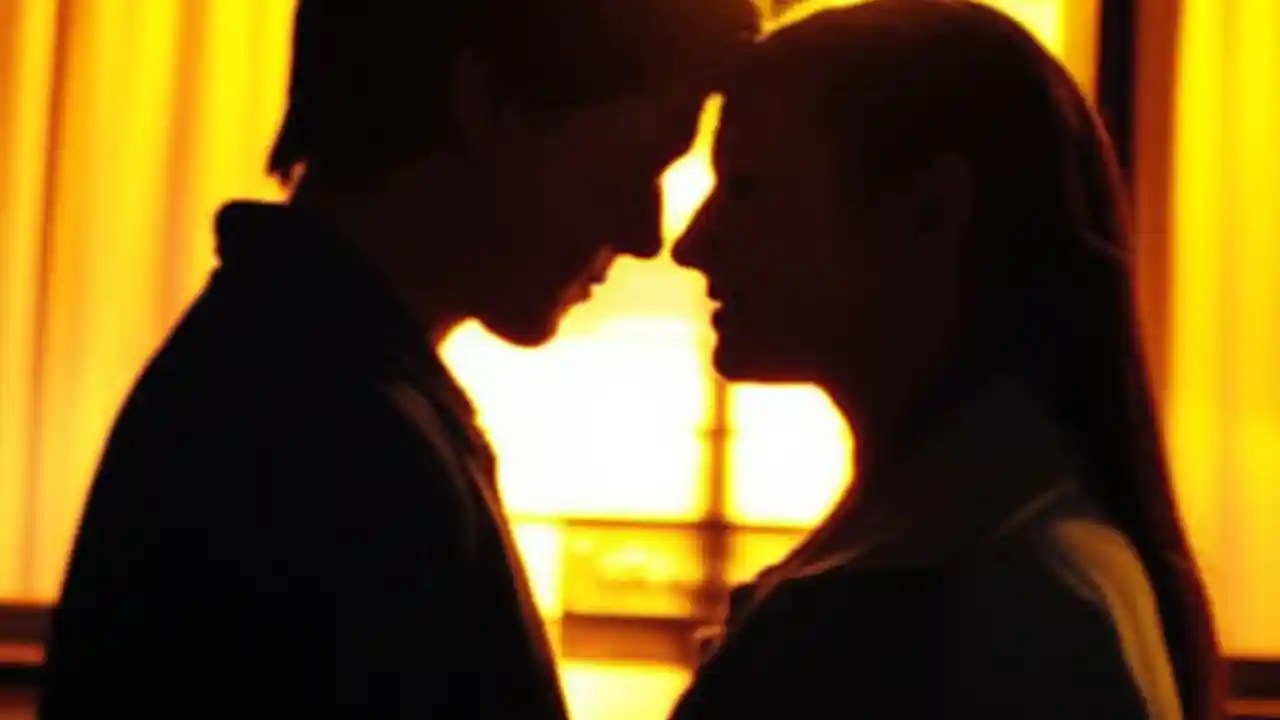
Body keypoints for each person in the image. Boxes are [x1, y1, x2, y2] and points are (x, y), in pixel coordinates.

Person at [39, 1, 757, 717]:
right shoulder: (326, 437)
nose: (646, 231)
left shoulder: (305, 380)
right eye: (641, 163)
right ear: (490, 101)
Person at [670, 1, 1221, 718]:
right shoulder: (1001, 565)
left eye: (748, 189)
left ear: (928, 212)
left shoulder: (1005, 599)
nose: (694, 242)